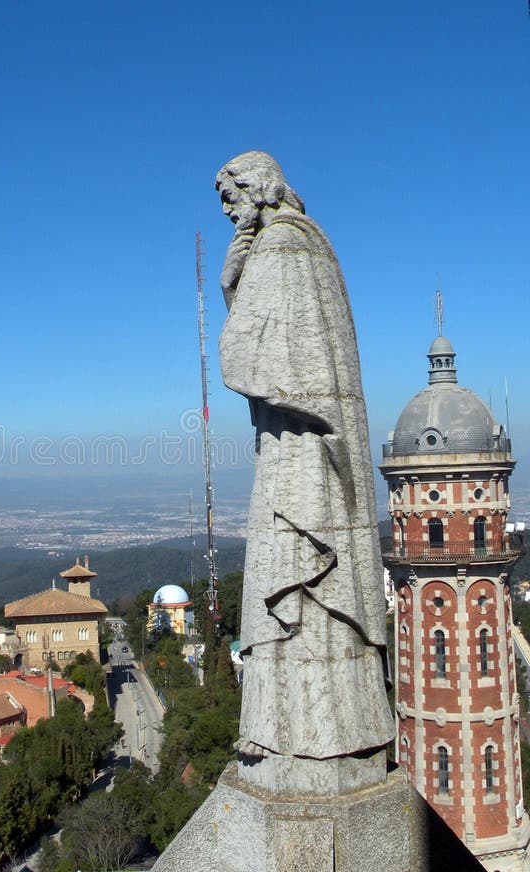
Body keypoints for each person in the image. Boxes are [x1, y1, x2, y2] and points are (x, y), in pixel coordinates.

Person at [216, 152, 393, 764]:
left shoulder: (283, 246)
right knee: (305, 584)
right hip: (303, 446)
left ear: (257, 188)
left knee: (295, 568)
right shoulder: (310, 244)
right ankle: (329, 727)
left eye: (230, 194)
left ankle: (302, 734)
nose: (226, 208)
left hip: (299, 454)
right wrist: (234, 285)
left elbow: (252, 356)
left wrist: (234, 291)